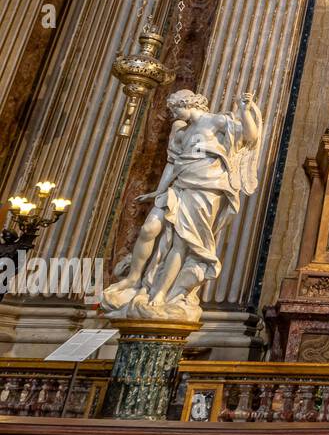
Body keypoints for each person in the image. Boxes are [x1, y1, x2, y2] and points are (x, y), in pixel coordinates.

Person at [103, 90, 261, 322]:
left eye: (175, 108)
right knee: (149, 229)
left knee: (182, 242)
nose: (173, 114)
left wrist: (245, 111)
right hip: (178, 186)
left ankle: (161, 293)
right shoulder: (180, 131)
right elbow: (172, 163)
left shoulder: (217, 121)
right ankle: (133, 278)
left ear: (188, 104)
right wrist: (159, 190)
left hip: (206, 187)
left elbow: (250, 137)